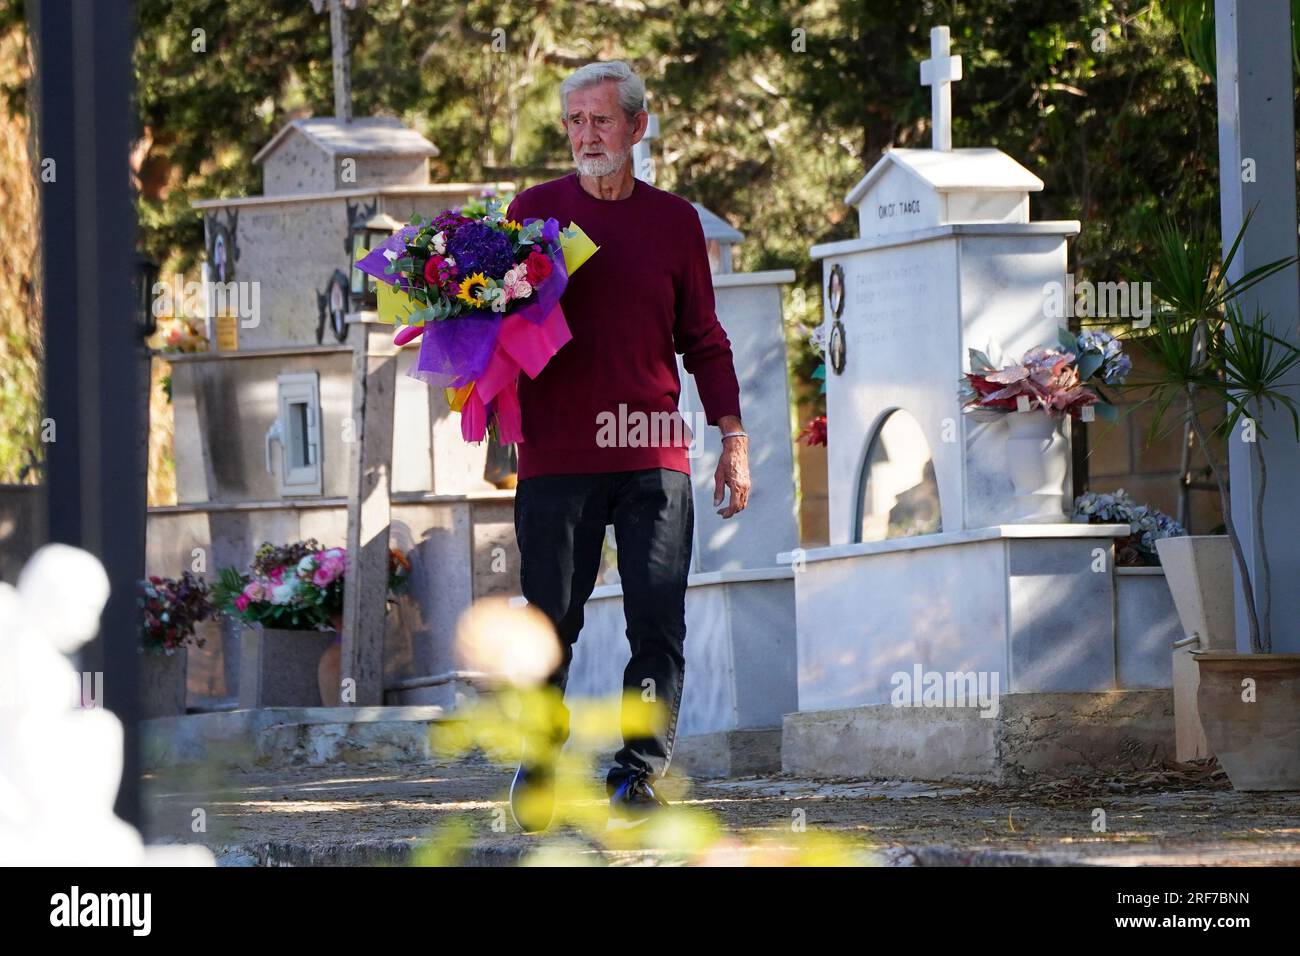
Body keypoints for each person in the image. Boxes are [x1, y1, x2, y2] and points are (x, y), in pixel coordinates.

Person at [504, 60, 751, 831]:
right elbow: (492, 326)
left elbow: (704, 339)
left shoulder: (675, 221)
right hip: (557, 455)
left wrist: (732, 437)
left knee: (656, 620)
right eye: (574, 123)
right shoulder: (531, 212)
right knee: (551, 620)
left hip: (652, 451)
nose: (585, 136)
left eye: (600, 121)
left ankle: (639, 771)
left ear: (638, 127)